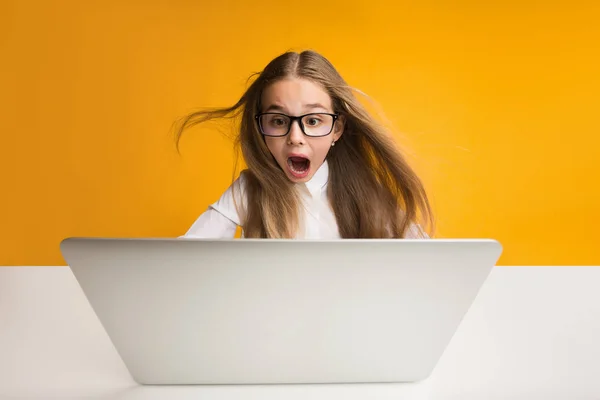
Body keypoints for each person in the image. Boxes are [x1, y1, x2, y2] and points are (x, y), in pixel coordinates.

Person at [175, 50, 433, 239]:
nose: (295, 137)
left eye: (312, 120)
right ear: (260, 128)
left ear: (337, 129)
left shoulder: (367, 193)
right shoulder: (249, 191)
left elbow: (430, 264)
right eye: (278, 120)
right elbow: (183, 261)